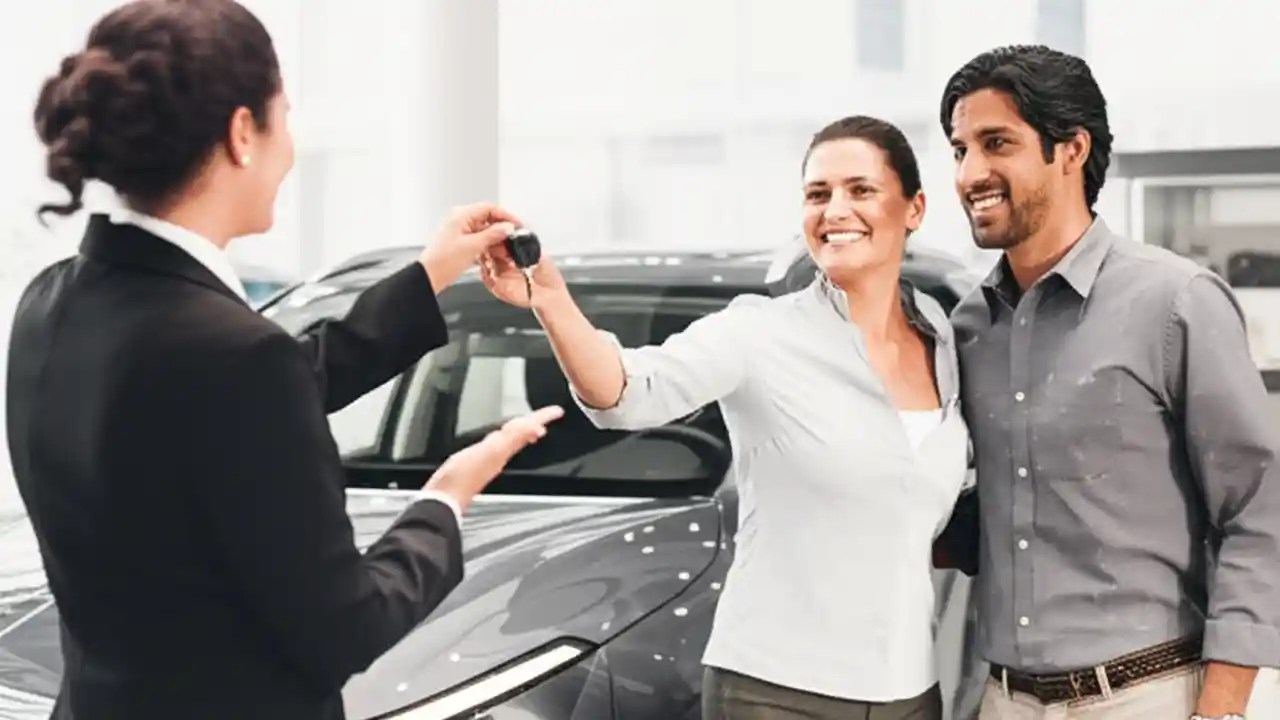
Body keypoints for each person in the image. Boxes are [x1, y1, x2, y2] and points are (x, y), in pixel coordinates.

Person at [5, 1, 560, 718]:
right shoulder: (234, 359)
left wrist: (429, 273)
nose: (290, 148)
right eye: (285, 117)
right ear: (243, 132)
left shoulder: (50, 304)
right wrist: (444, 501)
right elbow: (345, 627)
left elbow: (233, 397)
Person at [482, 115, 968, 719]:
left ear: (914, 208)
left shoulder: (942, 337)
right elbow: (629, 391)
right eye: (817, 194)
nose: (835, 209)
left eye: (860, 190)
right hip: (777, 691)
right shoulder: (759, 333)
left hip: (909, 693)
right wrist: (551, 300)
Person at [940, 44, 1280, 719]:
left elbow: (1258, 509)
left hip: (1143, 697)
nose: (970, 173)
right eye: (958, 150)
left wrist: (1224, 706)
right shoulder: (969, 326)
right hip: (1005, 700)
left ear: (1070, 149)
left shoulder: (1176, 302)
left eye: (996, 143)